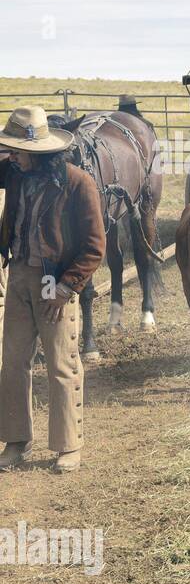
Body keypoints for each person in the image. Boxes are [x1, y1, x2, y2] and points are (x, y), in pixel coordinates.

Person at [0, 106, 106, 474]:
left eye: (16, 150)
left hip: (55, 282)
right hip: (18, 276)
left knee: (62, 364)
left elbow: (94, 246)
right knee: (13, 362)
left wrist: (66, 287)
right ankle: (16, 440)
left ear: (40, 152)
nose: (11, 155)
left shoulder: (78, 184)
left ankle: (68, 445)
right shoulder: (15, 175)